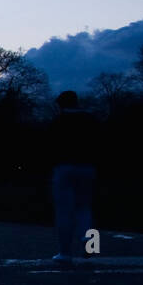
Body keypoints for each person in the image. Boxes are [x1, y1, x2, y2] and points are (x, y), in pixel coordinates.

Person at [49, 91, 96, 262]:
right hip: (88, 166)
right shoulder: (90, 120)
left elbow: (49, 147)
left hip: (64, 167)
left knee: (64, 211)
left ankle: (65, 252)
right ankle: (89, 240)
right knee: (85, 207)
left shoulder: (58, 122)